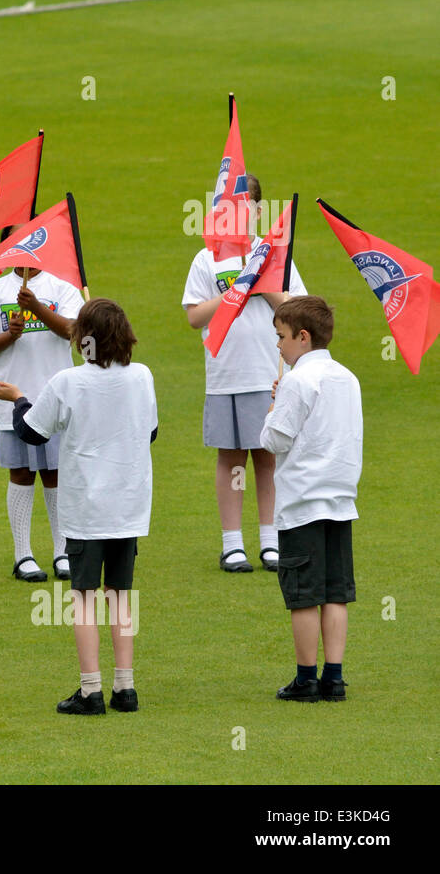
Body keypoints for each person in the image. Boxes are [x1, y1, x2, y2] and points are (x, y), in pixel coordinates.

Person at [0, 299, 157, 714]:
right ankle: (126, 688)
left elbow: (31, 433)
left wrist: (19, 397)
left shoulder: (68, 382)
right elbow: (150, 432)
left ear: (85, 339)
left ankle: (90, 690)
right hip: (129, 506)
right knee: (120, 597)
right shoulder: (143, 376)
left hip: (86, 510)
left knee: (83, 598)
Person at [182, 177, 307, 572]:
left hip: (267, 371)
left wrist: (262, 280)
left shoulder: (275, 254)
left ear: (256, 209)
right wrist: (235, 288)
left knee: (268, 457)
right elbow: (194, 316)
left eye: (244, 204)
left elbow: (296, 309)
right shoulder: (207, 258)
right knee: (232, 459)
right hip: (225, 373)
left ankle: (270, 540)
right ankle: (232, 543)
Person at [260, 297, 361, 702]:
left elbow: (273, 440)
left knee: (304, 595)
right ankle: (334, 677)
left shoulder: (298, 381)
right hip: (340, 498)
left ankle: (305, 679)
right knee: (335, 592)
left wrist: (274, 404)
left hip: (302, 501)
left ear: (303, 337)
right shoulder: (347, 378)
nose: (279, 346)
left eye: (282, 337)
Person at [0, 265, 83, 582]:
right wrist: (10, 334)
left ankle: (63, 552)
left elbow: (72, 331)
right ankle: (23, 556)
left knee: (55, 472)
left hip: (57, 397)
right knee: (21, 473)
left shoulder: (62, 287)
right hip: (12, 398)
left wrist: (37, 308)